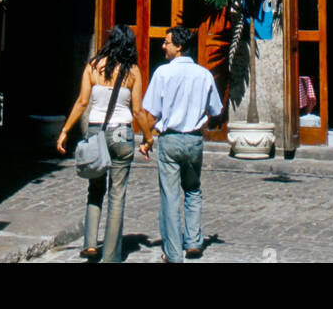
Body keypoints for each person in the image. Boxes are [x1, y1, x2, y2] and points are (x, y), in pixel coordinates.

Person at [57, 24, 152, 263]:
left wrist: (65, 131)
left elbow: (82, 102)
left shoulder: (93, 66)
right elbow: (138, 110)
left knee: (94, 189)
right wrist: (149, 138)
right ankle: (111, 256)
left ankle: (90, 244)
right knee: (117, 195)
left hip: (95, 131)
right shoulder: (133, 71)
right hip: (121, 133)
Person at [139, 24, 223, 264]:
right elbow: (216, 109)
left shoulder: (163, 73)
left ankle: (174, 253)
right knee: (193, 189)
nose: (163, 45)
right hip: (195, 139)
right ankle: (194, 241)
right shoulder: (204, 74)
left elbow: (150, 112)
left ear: (179, 46)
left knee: (170, 196)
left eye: (167, 42)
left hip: (170, 139)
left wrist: (146, 140)